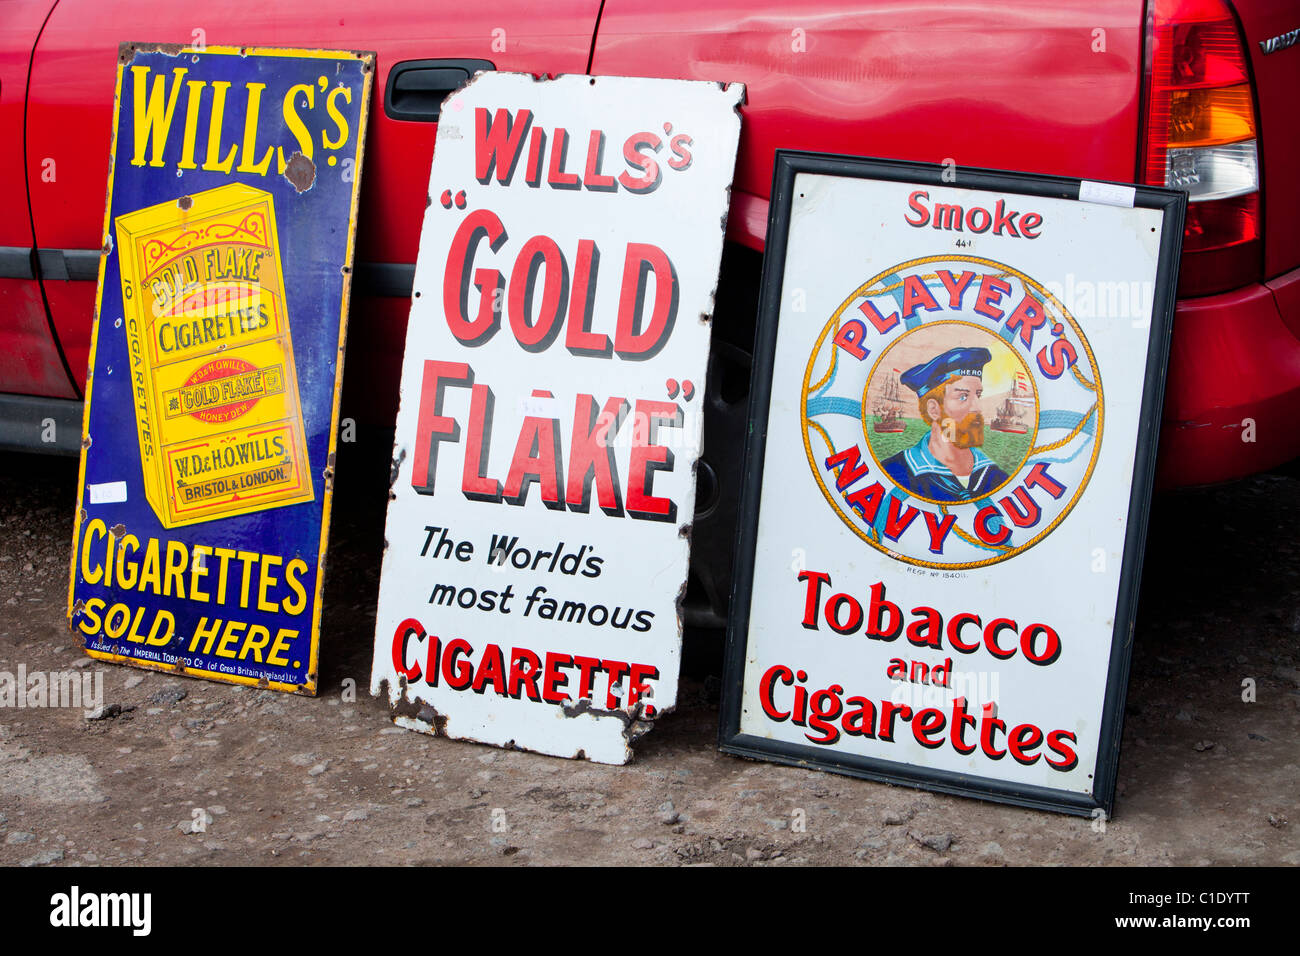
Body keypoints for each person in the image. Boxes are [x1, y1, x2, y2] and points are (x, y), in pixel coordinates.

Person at [880, 346, 1009, 502]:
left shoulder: (996, 477)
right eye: (963, 397)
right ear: (934, 409)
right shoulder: (894, 472)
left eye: (978, 395)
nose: (977, 408)